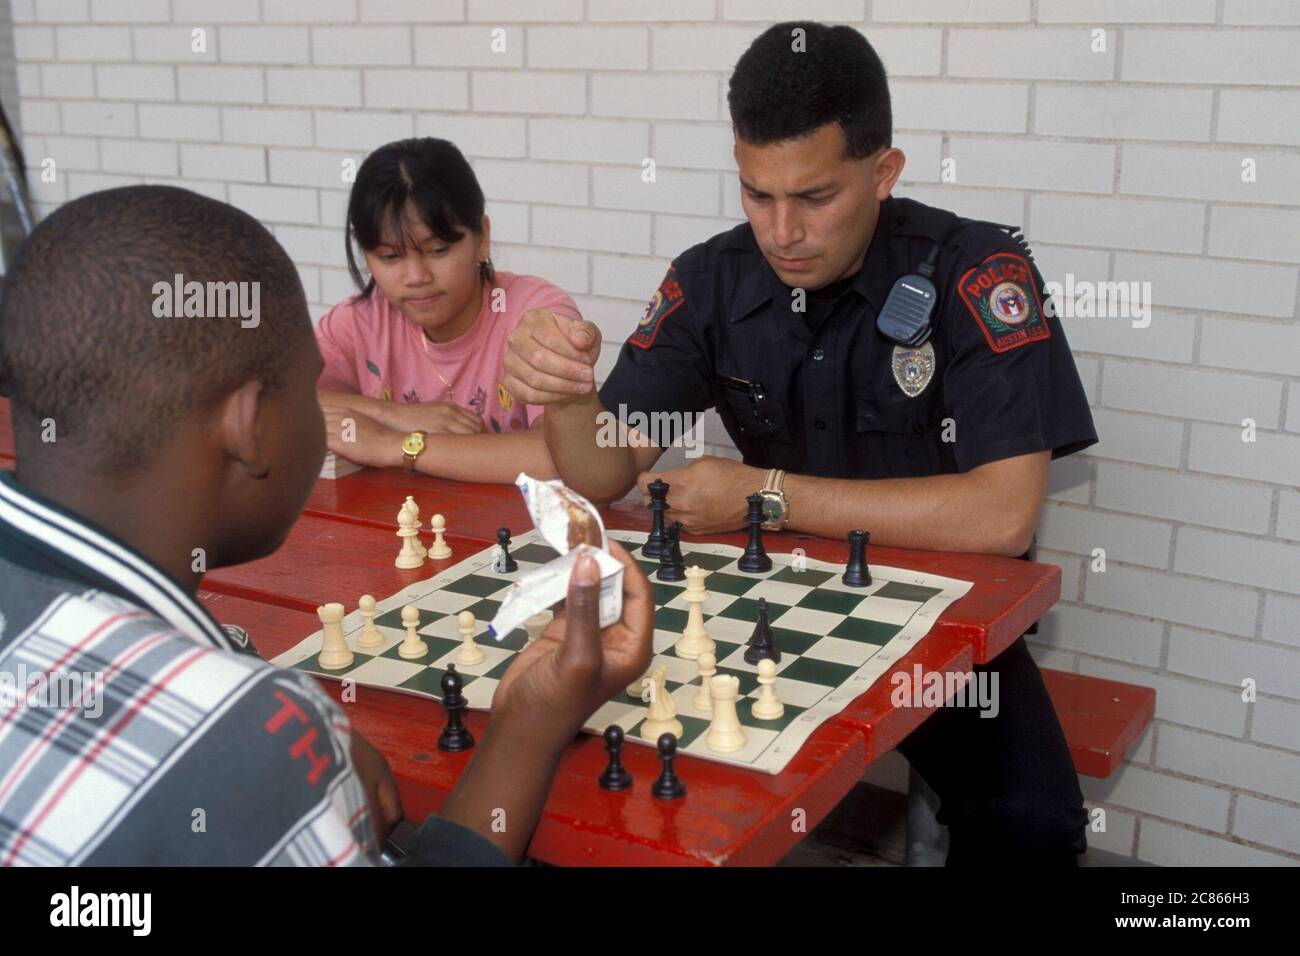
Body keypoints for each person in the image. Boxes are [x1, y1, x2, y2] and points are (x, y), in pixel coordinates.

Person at [503, 22, 1098, 865]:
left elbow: (1004, 515)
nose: (781, 230)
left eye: (815, 198)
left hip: (939, 624)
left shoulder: (977, 271)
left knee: (1032, 824)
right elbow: (602, 470)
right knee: (610, 769)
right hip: (753, 604)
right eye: (756, 193)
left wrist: (763, 493)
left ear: (884, 172)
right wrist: (565, 396)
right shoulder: (712, 278)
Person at [0, 185, 652, 866]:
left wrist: (252, 679)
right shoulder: (239, 743)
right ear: (250, 430)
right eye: (311, 392)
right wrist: (527, 726)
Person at [315, 137, 580, 483]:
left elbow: (562, 458)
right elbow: (272, 401)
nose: (416, 277)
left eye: (438, 250)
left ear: (481, 237)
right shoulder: (358, 321)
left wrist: (394, 444)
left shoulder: (536, 315)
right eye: (390, 257)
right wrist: (397, 415)